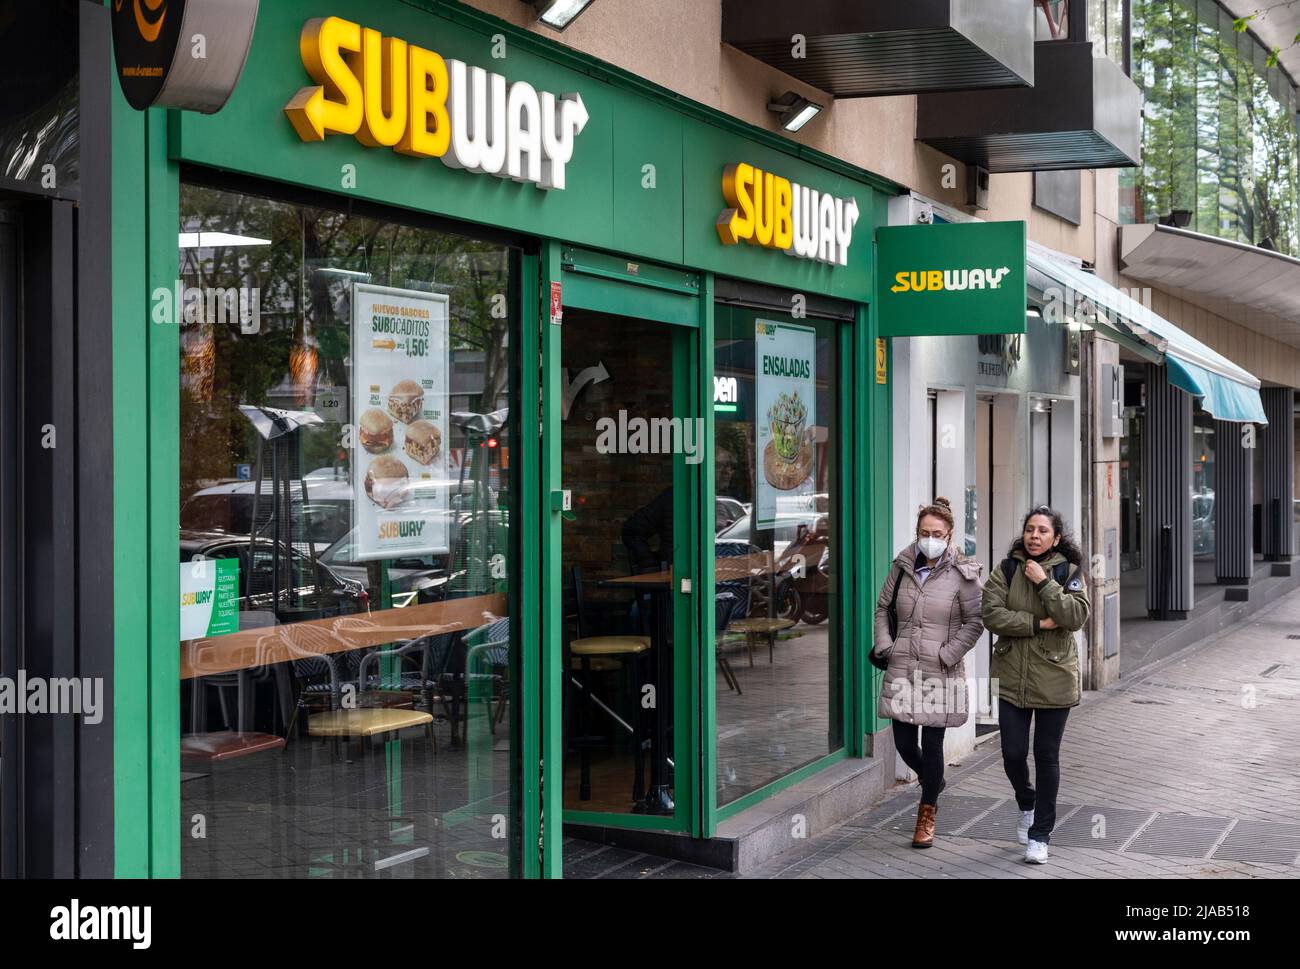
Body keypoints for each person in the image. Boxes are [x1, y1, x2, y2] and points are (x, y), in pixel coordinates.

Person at [871, 497, 984, 849]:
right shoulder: (902, 566)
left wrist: (948, 654)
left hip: (940, 670)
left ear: (949, 535)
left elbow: (975, 622)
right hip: (903, 666)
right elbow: (882, 608)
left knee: (932, 745)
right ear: (917, 533)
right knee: (904, 742)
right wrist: (885, 646)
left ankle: (927, 812)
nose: (929, 538)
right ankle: (931, 780)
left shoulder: (963, 574)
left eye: (937, 533)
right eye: (924, 532)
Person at [981, 505, 1090, 865]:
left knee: (1046, 756)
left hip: (1055, 678)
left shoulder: (1069, 572)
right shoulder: (1007, 568)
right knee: (1012, 752)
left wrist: (1043, 582)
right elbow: (991, 613)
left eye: (1043, 530)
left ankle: (1040, 834)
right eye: (1030, 529)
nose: (1035, 536)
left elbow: (1073, 616)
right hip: (1012, 675)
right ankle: (1026, 802)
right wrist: (1036, 624)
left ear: (1056, 538)